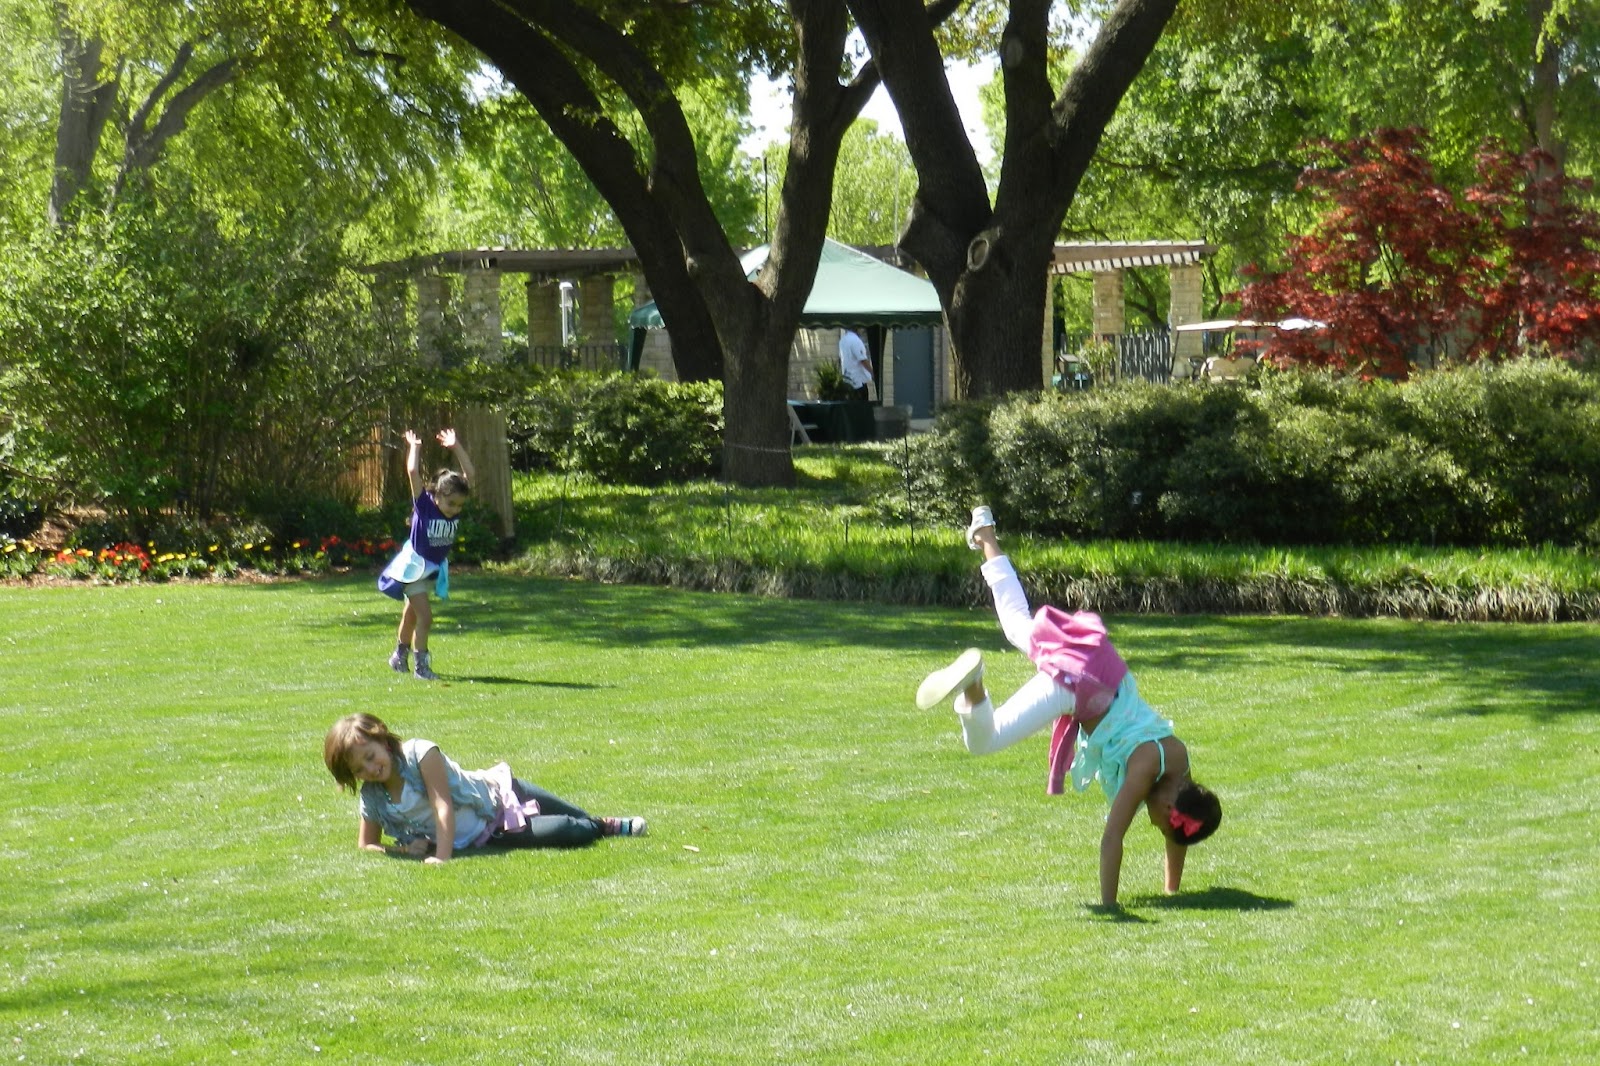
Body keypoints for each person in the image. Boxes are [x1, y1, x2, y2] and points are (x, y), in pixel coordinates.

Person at [915, 506, 1221, 907]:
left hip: (1097, 662)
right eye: (1164, 823)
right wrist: (1109, 906)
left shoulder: (1178, 762)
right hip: (1079, 687)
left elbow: (1175, 836)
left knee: (1015, 625)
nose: (1158, 825)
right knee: (984, 742)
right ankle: (974, 687)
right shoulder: (1146, 771)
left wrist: (1171, 891)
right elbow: (1113, 837)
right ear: (1170, 806)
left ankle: (986, 533)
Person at [324, 713, 647, 863]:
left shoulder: (420, 754)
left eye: (370, 756)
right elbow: (366, 844)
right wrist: (403, 850)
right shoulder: (374, 797)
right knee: (568, 830)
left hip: (500, 795)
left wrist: (443, 857)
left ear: (382, 739)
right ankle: (599, 827)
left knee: (575, 815)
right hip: (492, 831)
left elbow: (442, 805)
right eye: (358, 769)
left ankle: (603, 824)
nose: (370, 769)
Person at [379, 428, 474, 681]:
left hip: (430, 569)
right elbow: (412, 472)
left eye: (459, 505)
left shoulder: (454, 508)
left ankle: (398, 656)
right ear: (436, 496)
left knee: (410, 616)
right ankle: (422, 667)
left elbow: (470, 475)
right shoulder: (424, 507)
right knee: (426, 617)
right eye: (451, 504)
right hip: (413, 569)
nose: (455, 510)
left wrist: (456, 446)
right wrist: (415, 447)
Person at [838, 327, 873, 402]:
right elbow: (862, 360)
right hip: (858, 380)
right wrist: (872, 373)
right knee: (861, 406)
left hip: (847, 379)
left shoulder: (843, 340)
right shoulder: (856, 340)